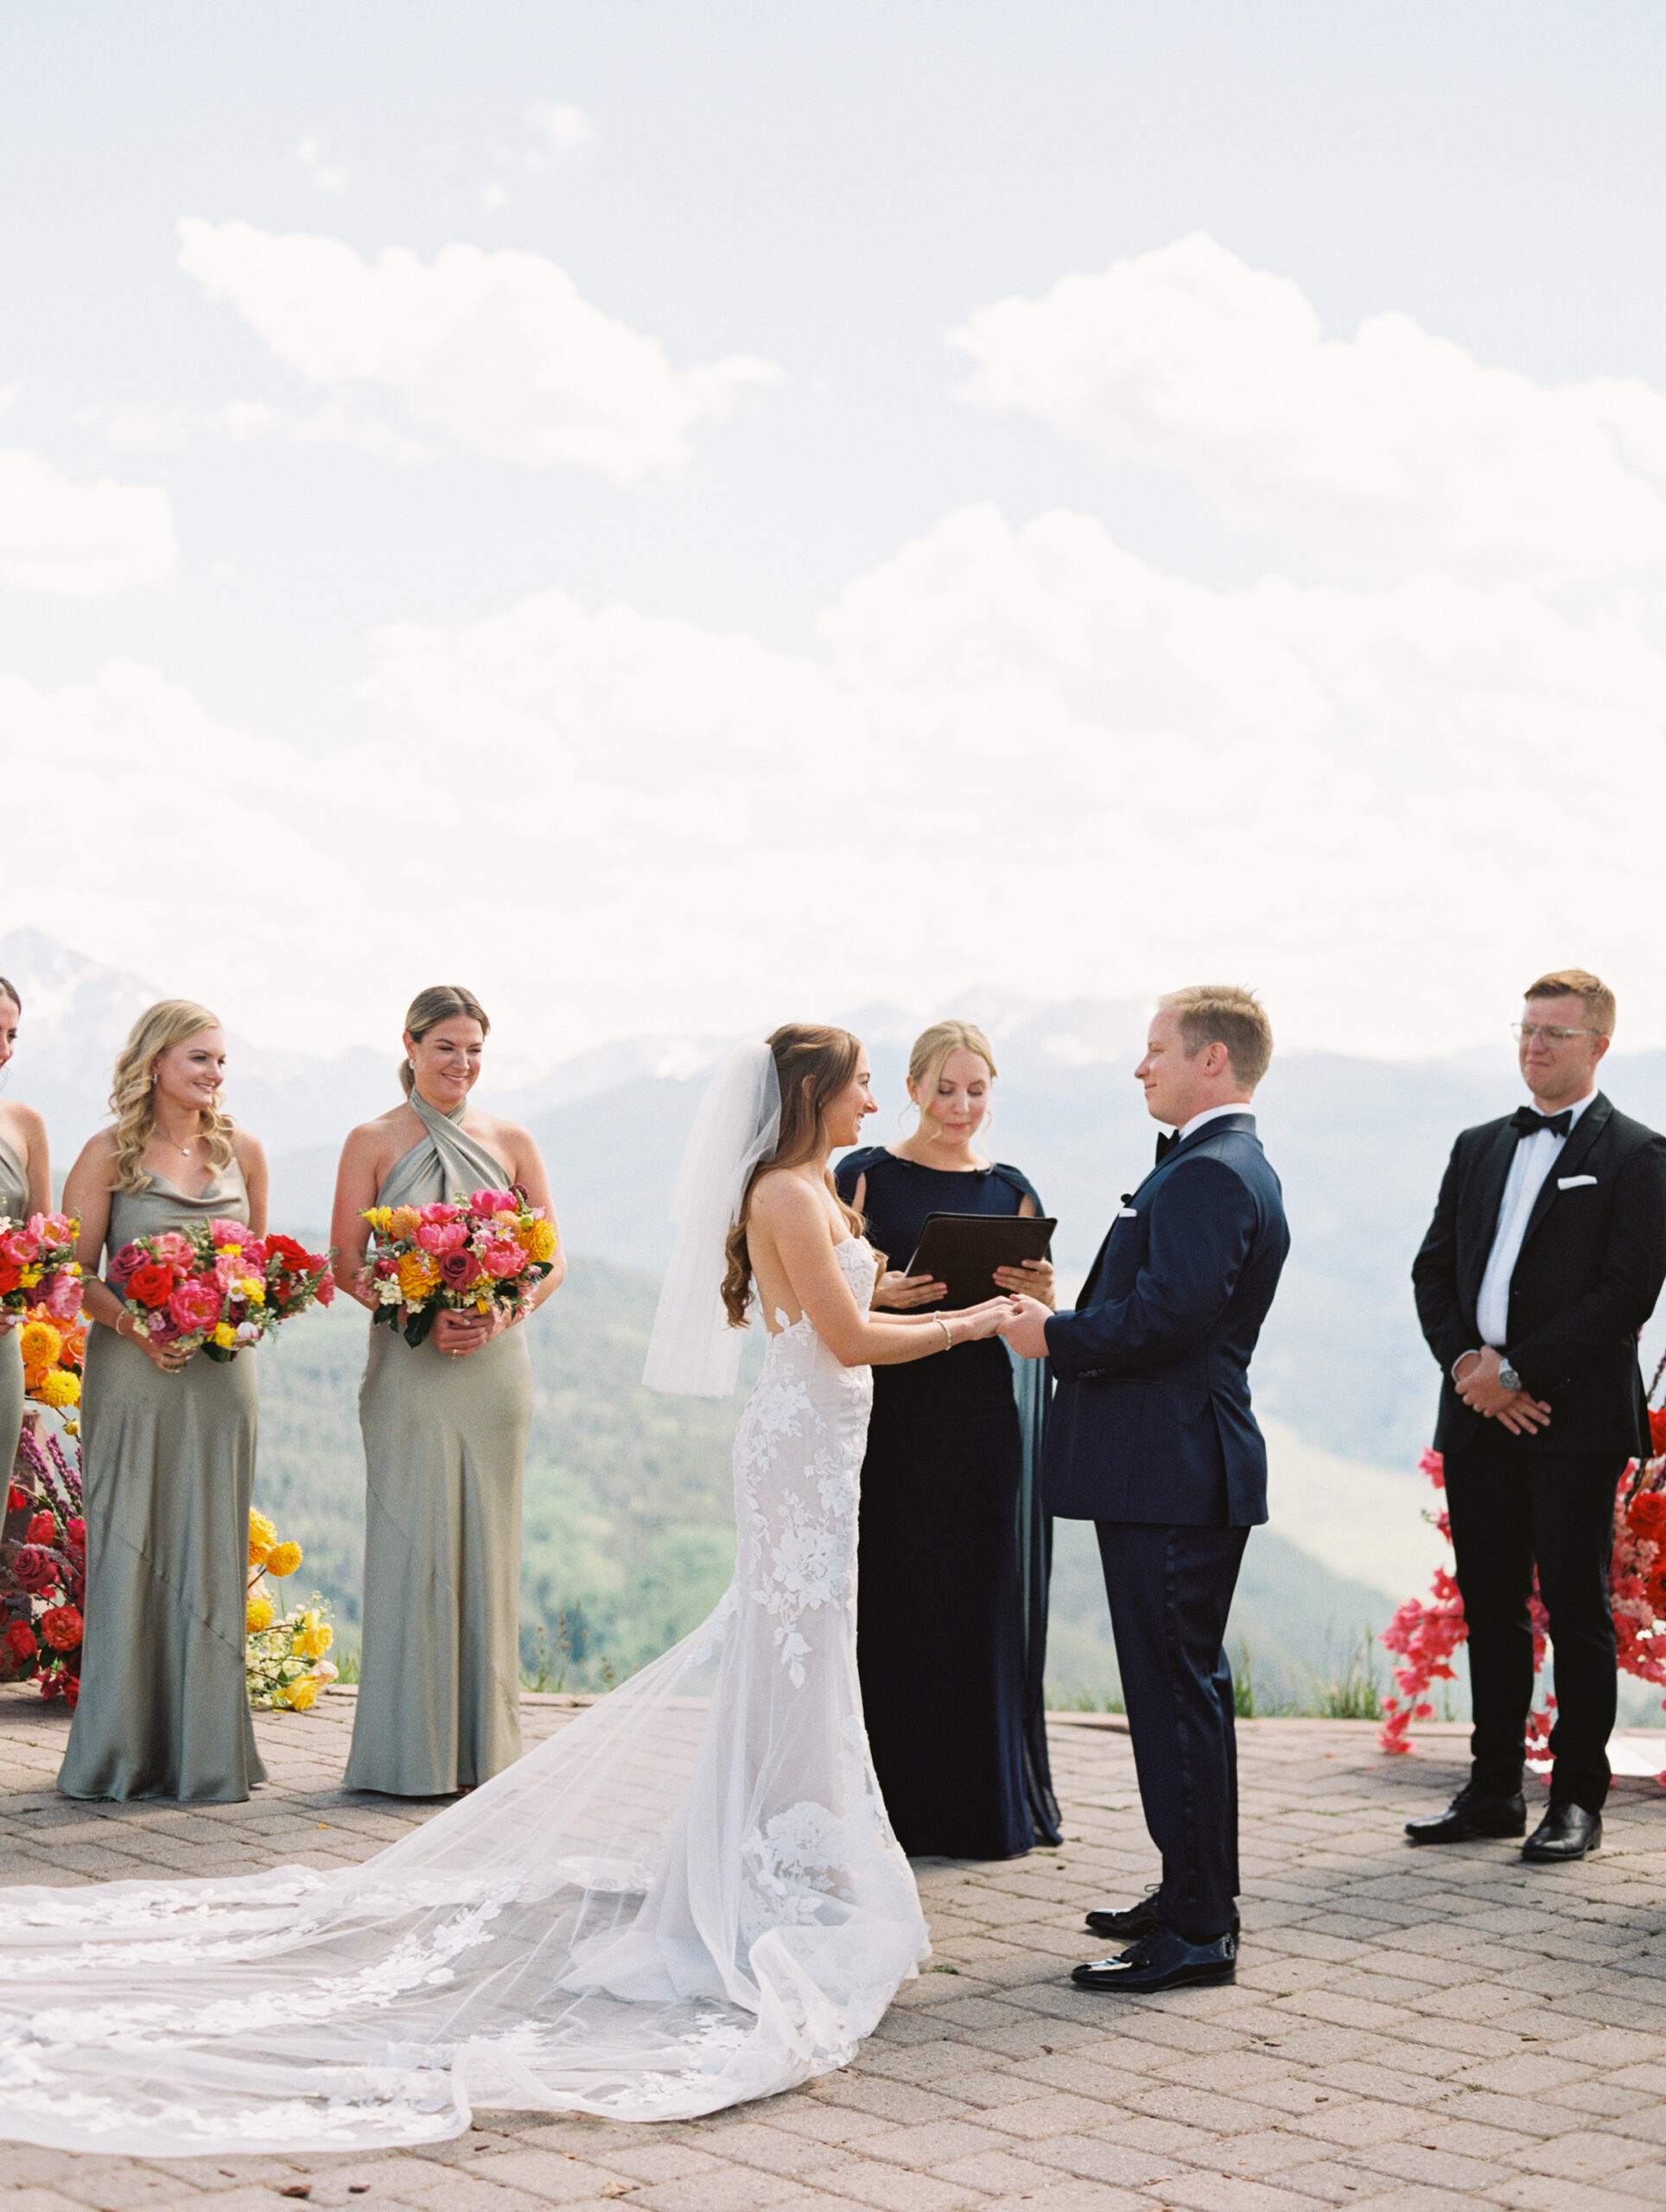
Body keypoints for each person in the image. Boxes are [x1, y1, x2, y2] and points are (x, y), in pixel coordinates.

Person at [0, 1023, 1014, 2152]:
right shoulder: (785, 1191)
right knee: (792, 1650)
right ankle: (772, 1863)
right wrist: (979, 1323)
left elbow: (846, 1302)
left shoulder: (818, 1186)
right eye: (862, 1083)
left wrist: (931, 1289)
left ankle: (788, 1856)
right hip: (800, 1450)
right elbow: (842, 1336)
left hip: (823, 1450)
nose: (873, 1100)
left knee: (808, 1656)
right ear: (815, 1090)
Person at [1005, 985, 1288, 1994]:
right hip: (1168, 1466)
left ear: (1211, 1060)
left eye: (1155, 1049)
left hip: (1173, 1469)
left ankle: (1199, 1930)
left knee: (1174, 1699)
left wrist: (1051, 1335)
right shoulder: (1217, 1162)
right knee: (1180, 1694)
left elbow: (1169, 1317)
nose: (1140, 1066)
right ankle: (1189, 1890)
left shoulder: (1209, 1171)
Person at [1408, 969, 1666, 1862]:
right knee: (1488, 1606)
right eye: (1525, 1029)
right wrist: (1469, 1369)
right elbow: (1431, 1269)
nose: (1534, 1045)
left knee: (1574, 1607)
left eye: (1554, 1032)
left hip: (1572, 1416)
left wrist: (1516, 1371)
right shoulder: (1477, 1144)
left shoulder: (1638, 1153)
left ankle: (1576, 1800)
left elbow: (1625, 1293)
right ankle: (1491, 1790)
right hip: (1475, 1410)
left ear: (1598, 1046)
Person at [835, 1019, 1059, 1858]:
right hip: (885, 1415)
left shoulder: (1013, 1191)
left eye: (975, 1090)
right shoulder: (861, 1177)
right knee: (888, 1604)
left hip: (977, 1423)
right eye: (944, 1088)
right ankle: (884, 1806)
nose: (960, 1106)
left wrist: (1041, 1293)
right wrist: (877, 1295)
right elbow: (818, 1300)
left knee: (973, 1606)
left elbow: (1031, 1327)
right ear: (912, 1088)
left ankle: (975, 1811)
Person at [332, 985, 563, 1797]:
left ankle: (486, 1752)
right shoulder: (370, 1140)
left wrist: (504, 1312)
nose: (461, 1064)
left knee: (490, 1546)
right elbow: (345, 1261)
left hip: (496, 1372)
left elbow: (550, 1260)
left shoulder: (512, 1139)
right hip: (409, 1366)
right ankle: (406, 1753)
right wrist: (416, 1312)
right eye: (446, 1048)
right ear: (410, 1044)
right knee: (411, 1544)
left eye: (473, 1051)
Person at [57, 1001, 270, 1803]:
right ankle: (120, 1750)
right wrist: (136, 1326)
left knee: (213, 1545)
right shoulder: (106, 1153)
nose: (215, 1074)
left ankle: (208, 1752)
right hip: (134, 1372)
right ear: (155, 1064)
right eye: (198, 1059)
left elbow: (257, 1265)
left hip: (222, 1377)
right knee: (131, 1544)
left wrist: (247, 1308)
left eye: (220, 1061)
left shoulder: (243, 1151)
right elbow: (73, 1274)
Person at [0, 974, 54, 1475]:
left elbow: (47, 1247)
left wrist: (22, 1292)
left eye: (12, 1035)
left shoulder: (25, 1125)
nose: (5, 1051)